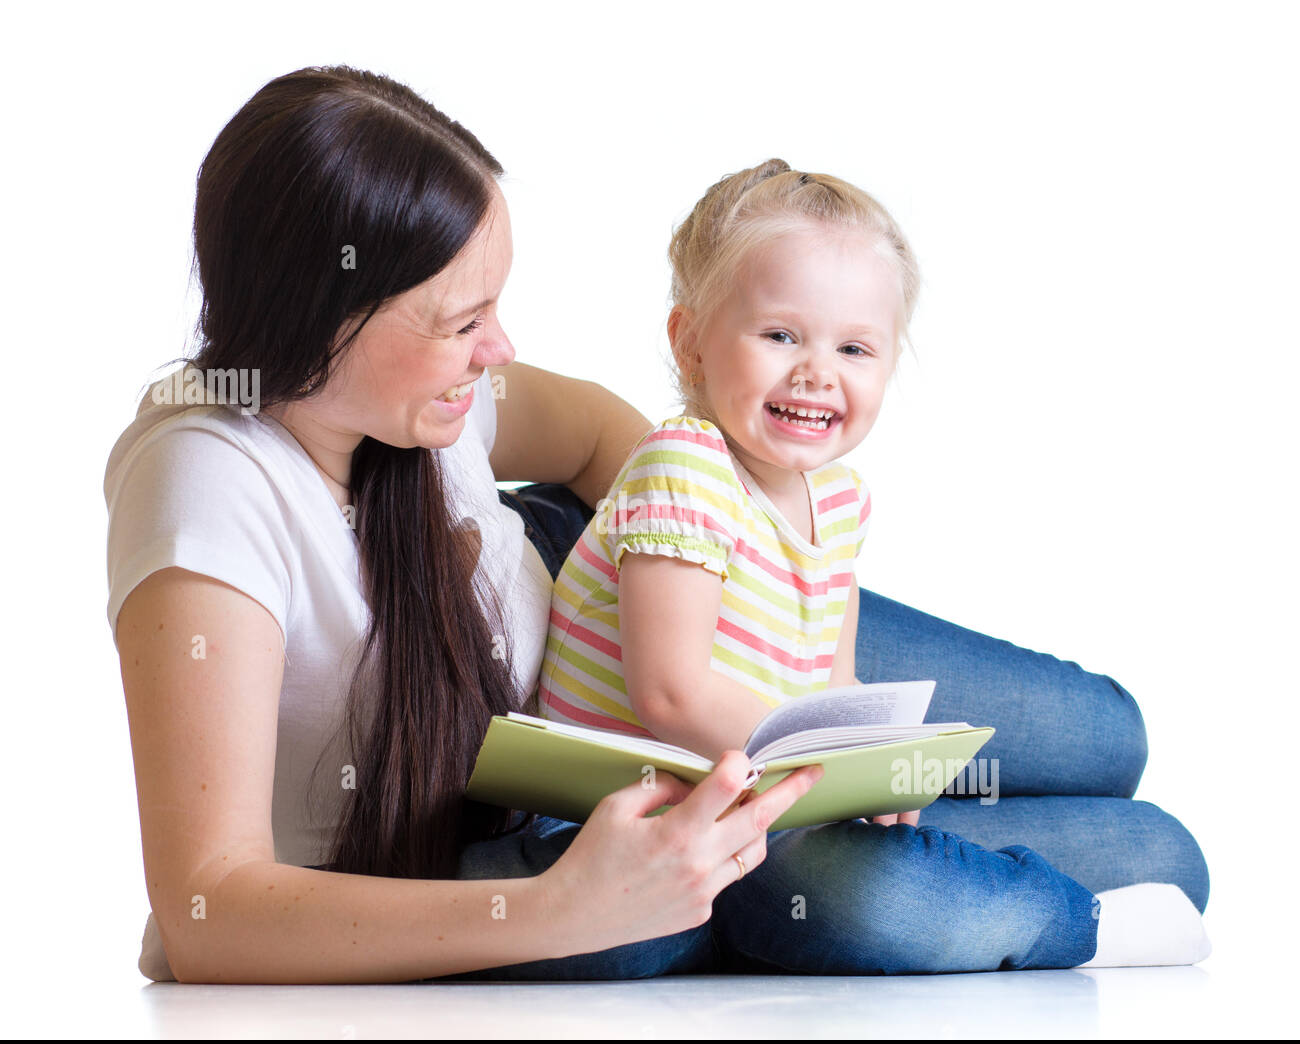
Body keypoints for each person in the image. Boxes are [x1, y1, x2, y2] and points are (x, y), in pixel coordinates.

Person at [105, 66, 1208, 984]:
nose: (500, 348)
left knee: (1109, 735)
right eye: (462, 319)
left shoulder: (425, 394)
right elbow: (206, 910)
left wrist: (699, 539)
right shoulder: (207, 484)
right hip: (566, 768)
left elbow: (596, 441)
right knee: (1161, 857)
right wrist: (555, 909)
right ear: (323, 317)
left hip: (646, 604)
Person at [529, 159, 1211, 972]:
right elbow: (671, 693)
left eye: (855, 347)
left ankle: (956, 895)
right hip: (643, 822)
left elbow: (836, 684)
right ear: (691, 342)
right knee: (874, 899)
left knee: (1173, 860)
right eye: (781, 335)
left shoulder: (841, 500)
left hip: (769, 802)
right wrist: (827, 771)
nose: (817, 371)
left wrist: (880, 771)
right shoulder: (683, 461)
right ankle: (1078, 930)